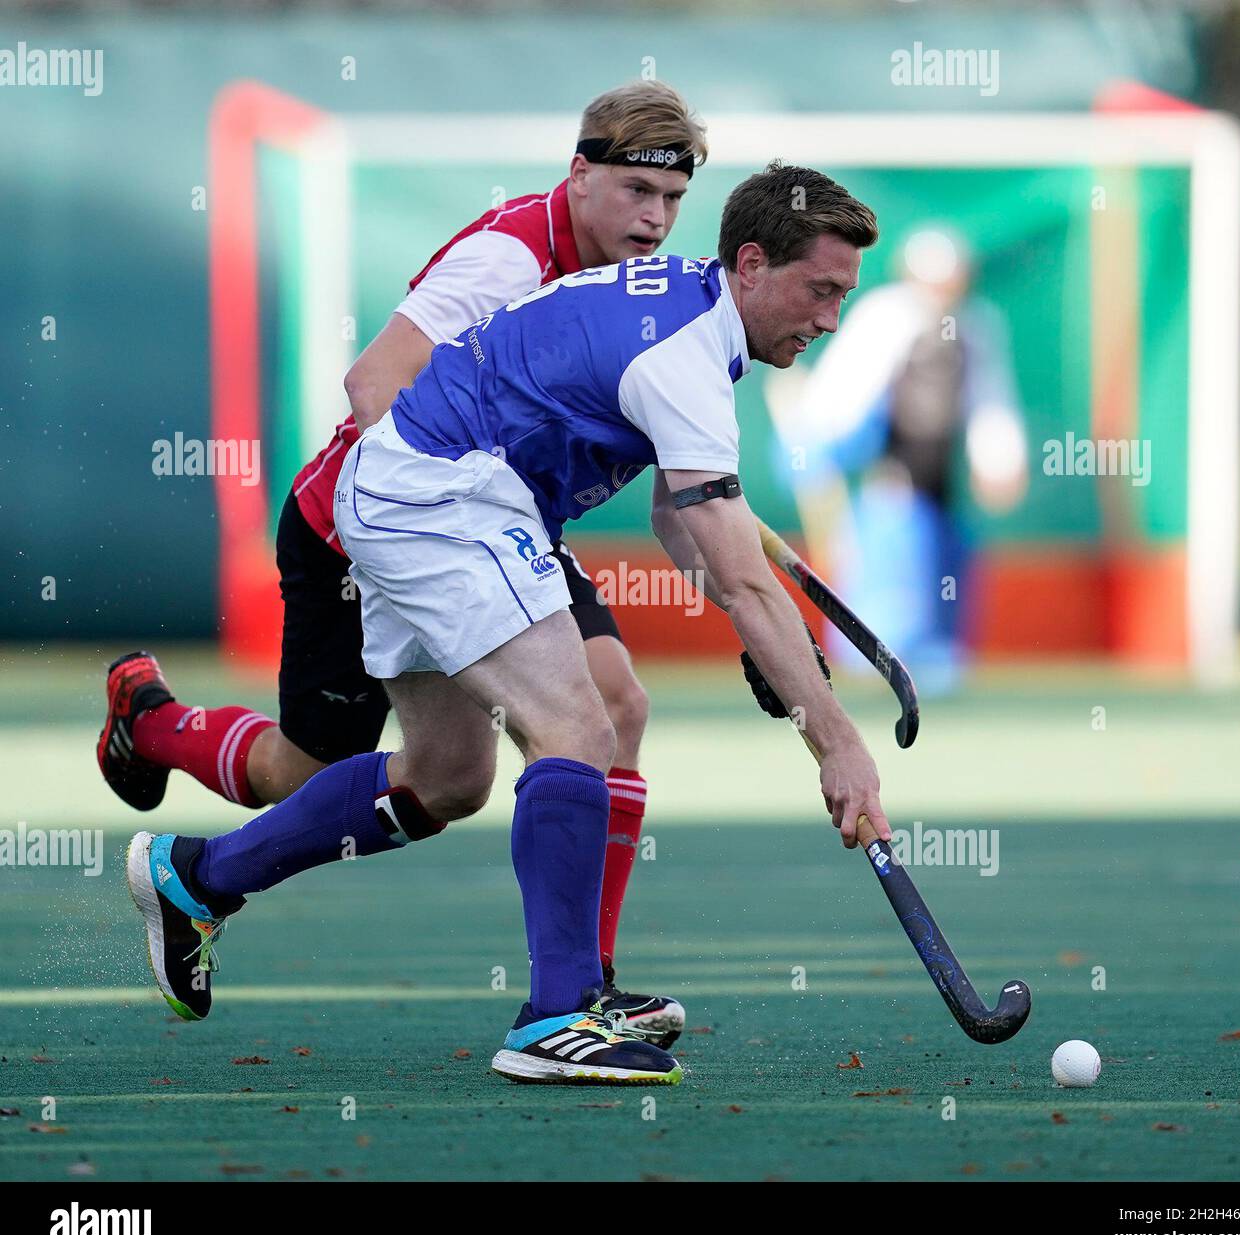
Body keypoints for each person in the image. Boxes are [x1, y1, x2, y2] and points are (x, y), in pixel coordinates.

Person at [125, 161, 891, 1087]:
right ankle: (558, 1013)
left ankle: (198, 877)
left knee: (448, 778)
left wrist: (763, 633)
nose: (828, 319)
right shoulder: (682, 350)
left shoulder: (693, 315)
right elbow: (740, 573)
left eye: (844, 298)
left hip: (419, 494)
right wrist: (837, 741)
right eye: (819, 291)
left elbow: (678, 523)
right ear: (753, 263)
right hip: (444, 497)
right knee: (579, 725)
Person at [99, 81, 708, 1044]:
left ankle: (583, 988)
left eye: (672, 201)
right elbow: (373, 380)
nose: (655, 219)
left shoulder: (635, 286)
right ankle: (158, 734)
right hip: (362, 527)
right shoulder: (509, 256)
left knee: (520, 747)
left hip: (494, 525)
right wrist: (445, 524)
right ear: (579, 174)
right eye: (636, 190)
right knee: (307, 770)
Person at [765, 225, 1028, 692]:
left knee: (943, 609)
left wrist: (1002, 461)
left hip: (945, 491)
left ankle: (937, 681)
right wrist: (811, 448)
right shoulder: (887, 319)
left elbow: (991, 403)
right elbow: (843, 396)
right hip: (891, 491)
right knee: (892, 602)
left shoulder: (976, 327)